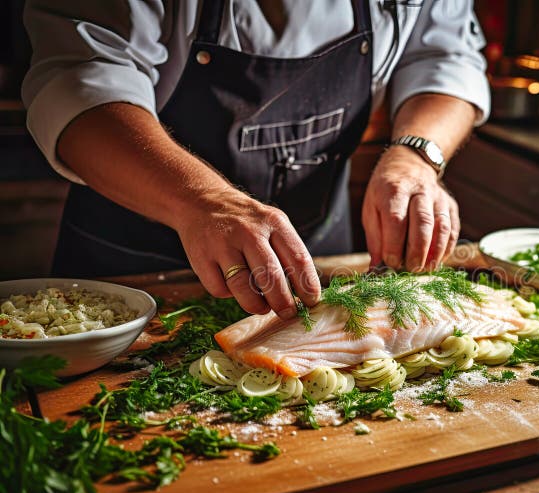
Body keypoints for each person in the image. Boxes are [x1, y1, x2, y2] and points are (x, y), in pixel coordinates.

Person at [22, 0, 490, 317]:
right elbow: (78, 81)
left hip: (321, 250)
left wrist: (415, 157)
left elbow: (446, 56)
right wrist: (203, 202)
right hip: (131, 263)